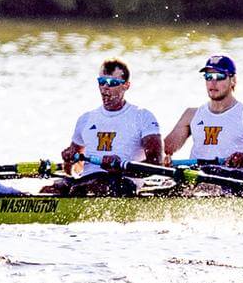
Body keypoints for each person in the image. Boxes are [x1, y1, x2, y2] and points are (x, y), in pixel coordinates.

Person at [43, 59, 162, 197]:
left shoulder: (142, 116)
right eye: (101, 82)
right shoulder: (86, 119)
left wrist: (121, 169)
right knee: (54, 187)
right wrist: (68, 161)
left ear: (126, 86)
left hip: (123, 183)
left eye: (112, 83)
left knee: (97, 183)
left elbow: (156, 163)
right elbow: (73, 170)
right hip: (86, 182)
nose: (105, 87)